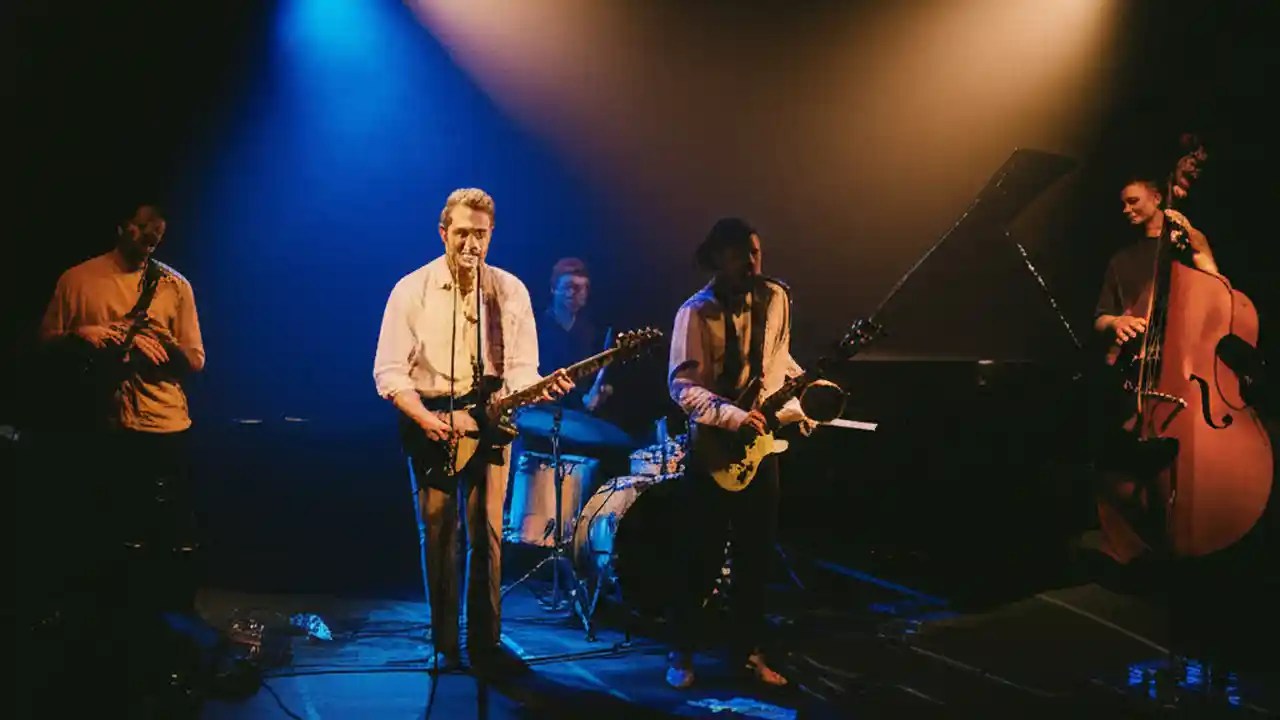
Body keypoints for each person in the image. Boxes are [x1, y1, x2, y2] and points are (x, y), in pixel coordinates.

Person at [373, 188, 573, 675]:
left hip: (490, 421)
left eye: (480, 234)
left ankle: (486, 642)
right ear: (443, 233)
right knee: (440, 535)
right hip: (432, 421)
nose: (470, 243)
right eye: (461, 232)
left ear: (491, 235)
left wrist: (536, 390)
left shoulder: (510, 290)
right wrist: (426, 418)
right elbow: (389, 372)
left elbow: (524, 369)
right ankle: (444, 644)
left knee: (487, 533)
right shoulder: (411, 289)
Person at [37, 201, 207, 708]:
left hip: (163, 424)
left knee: (167, 535)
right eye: (140, 228)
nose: (148, 237)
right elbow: (42, 344)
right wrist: (82, 335)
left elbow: (195, 360)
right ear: (120, 227)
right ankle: (105, 634)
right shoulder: (78, 279)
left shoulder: (175, 286)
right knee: (106, 533)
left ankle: (167, 631)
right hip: (103, 426)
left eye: (157, 231)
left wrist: (164, 343)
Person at [665, 217, 814, 689]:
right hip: (713, 447)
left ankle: (746, 651)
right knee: (702, 557)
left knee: (756, 558)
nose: (752, 263)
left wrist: (809, 396)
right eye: (740, 255)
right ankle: (682, 651)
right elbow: (682, 386)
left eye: (756, 252)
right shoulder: (695, 311)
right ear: (718, 258)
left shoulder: (777, 298)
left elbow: (778, 360)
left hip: (762, 446)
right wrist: (731, 416)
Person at [538, 257, 612, 413]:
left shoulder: (593, 333)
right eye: (567, 287)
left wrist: (601, 392)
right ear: (553, 288)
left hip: (578, 417)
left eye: (579, 289)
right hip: (540, 412)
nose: (572, 293)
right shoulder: (537, 326)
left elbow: (594, 382)